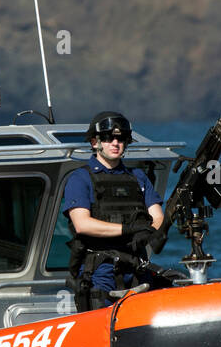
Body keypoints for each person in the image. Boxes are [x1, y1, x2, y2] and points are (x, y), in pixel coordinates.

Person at [61, 110, 174, 309]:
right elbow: (82, 224)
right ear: (95, 142)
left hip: (137, 266)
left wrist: (150, 232)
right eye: (108, 138)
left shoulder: (138, 177)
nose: (115, 143)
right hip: (99, 270)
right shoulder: (80, 178)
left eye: (121, 138)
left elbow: (157, 216)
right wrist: (130, 230)